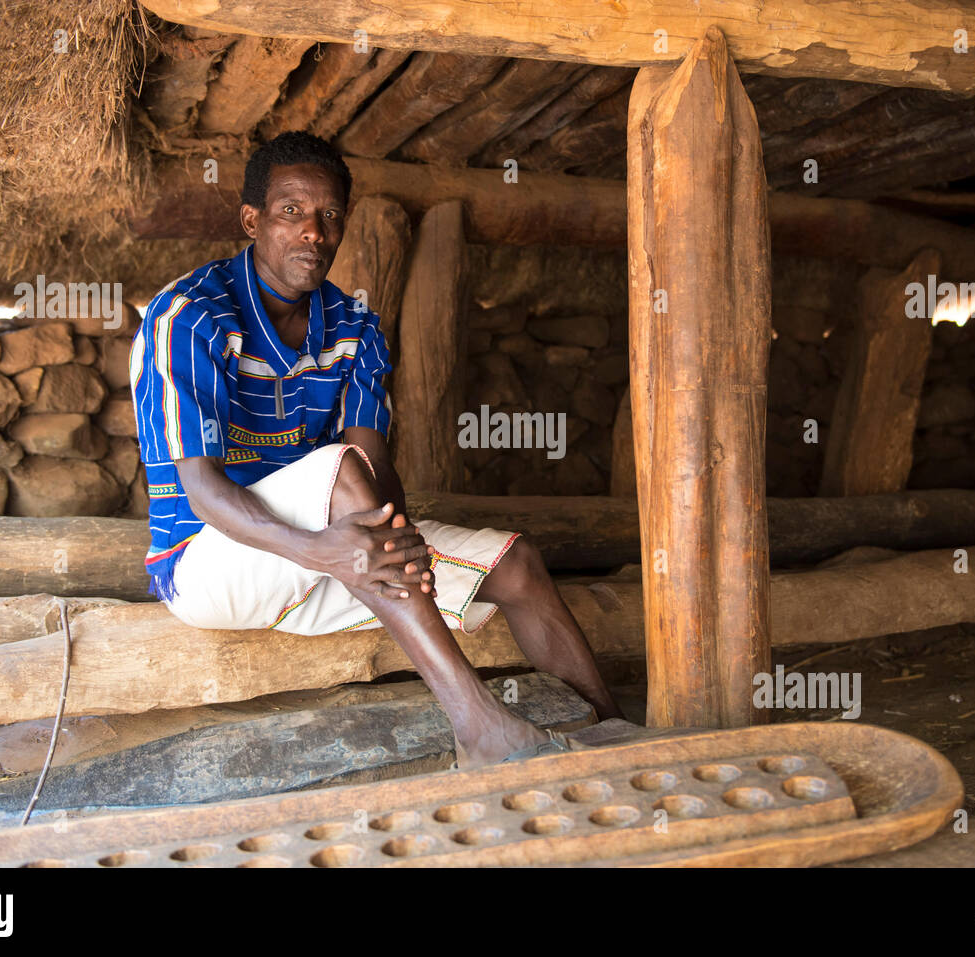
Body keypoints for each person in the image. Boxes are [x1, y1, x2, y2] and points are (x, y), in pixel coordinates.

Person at [130, 130, 623, 768]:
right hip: (210, 564)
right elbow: (202, 489)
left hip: (332, 555)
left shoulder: (355, 326)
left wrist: (403, 550)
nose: (314, 231)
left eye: (330, 215)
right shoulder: (190, 316)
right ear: (251, 219)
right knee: (340, 472)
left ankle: (614, 737)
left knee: (518, 564)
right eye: (290, 212)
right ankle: (480, 728)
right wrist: (319, 548)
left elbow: (375, 463)